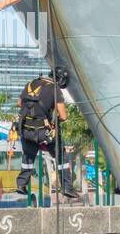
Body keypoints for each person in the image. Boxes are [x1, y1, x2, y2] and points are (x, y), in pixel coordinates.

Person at [16, 67, 78, 199]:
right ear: (61, 80)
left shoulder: (30, 84)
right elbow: (63, 116)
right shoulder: (55, 89)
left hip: (26, 131)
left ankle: (21, 185)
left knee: (28, 157)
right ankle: (67, 187)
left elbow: (19, 103)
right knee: (62, 158)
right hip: (43, 133)